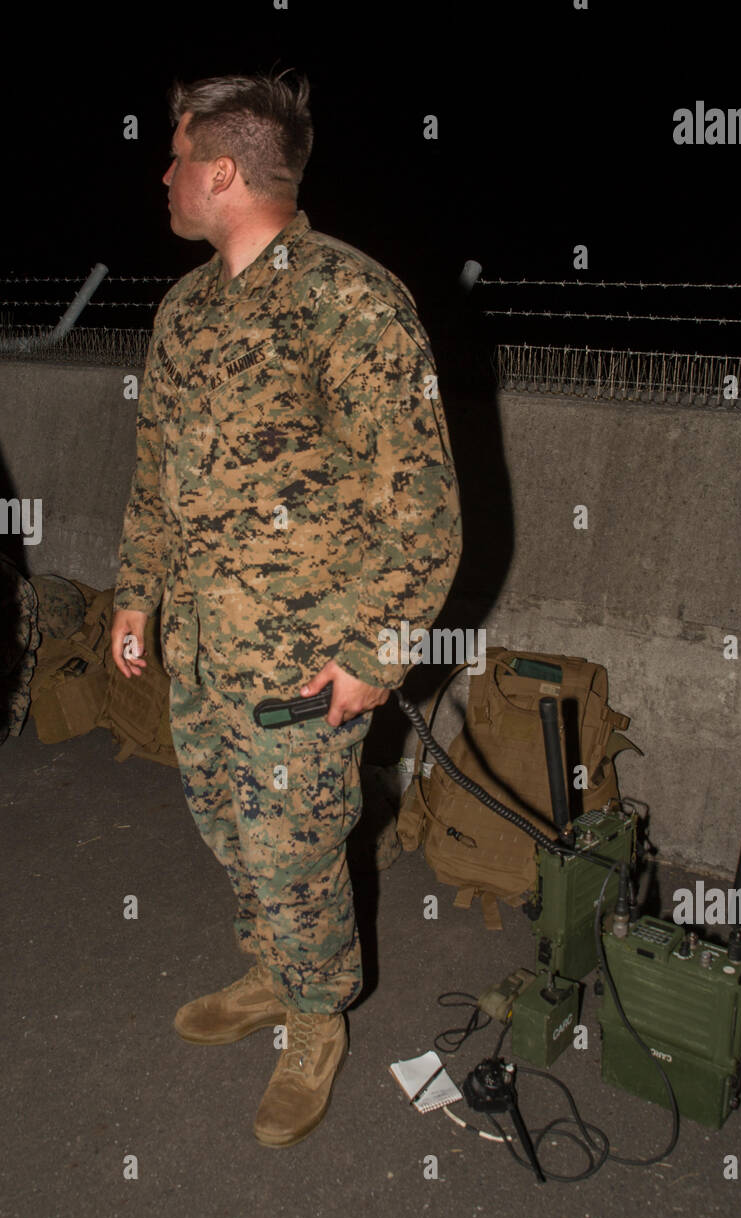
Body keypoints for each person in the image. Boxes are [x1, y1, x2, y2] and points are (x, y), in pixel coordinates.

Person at [110, 70, 462, 1148]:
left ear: (222, 171)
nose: (163, 174)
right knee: (229, 825)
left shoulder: (349, 300)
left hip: (309, 663)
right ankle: (273, 971)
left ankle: (318, 1023)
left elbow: (425, 503)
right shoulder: (186, 310)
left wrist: (377, 653)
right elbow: (156, 471)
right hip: (209, 649)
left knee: (297, 849)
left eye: (176, 156)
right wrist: (136, 594)